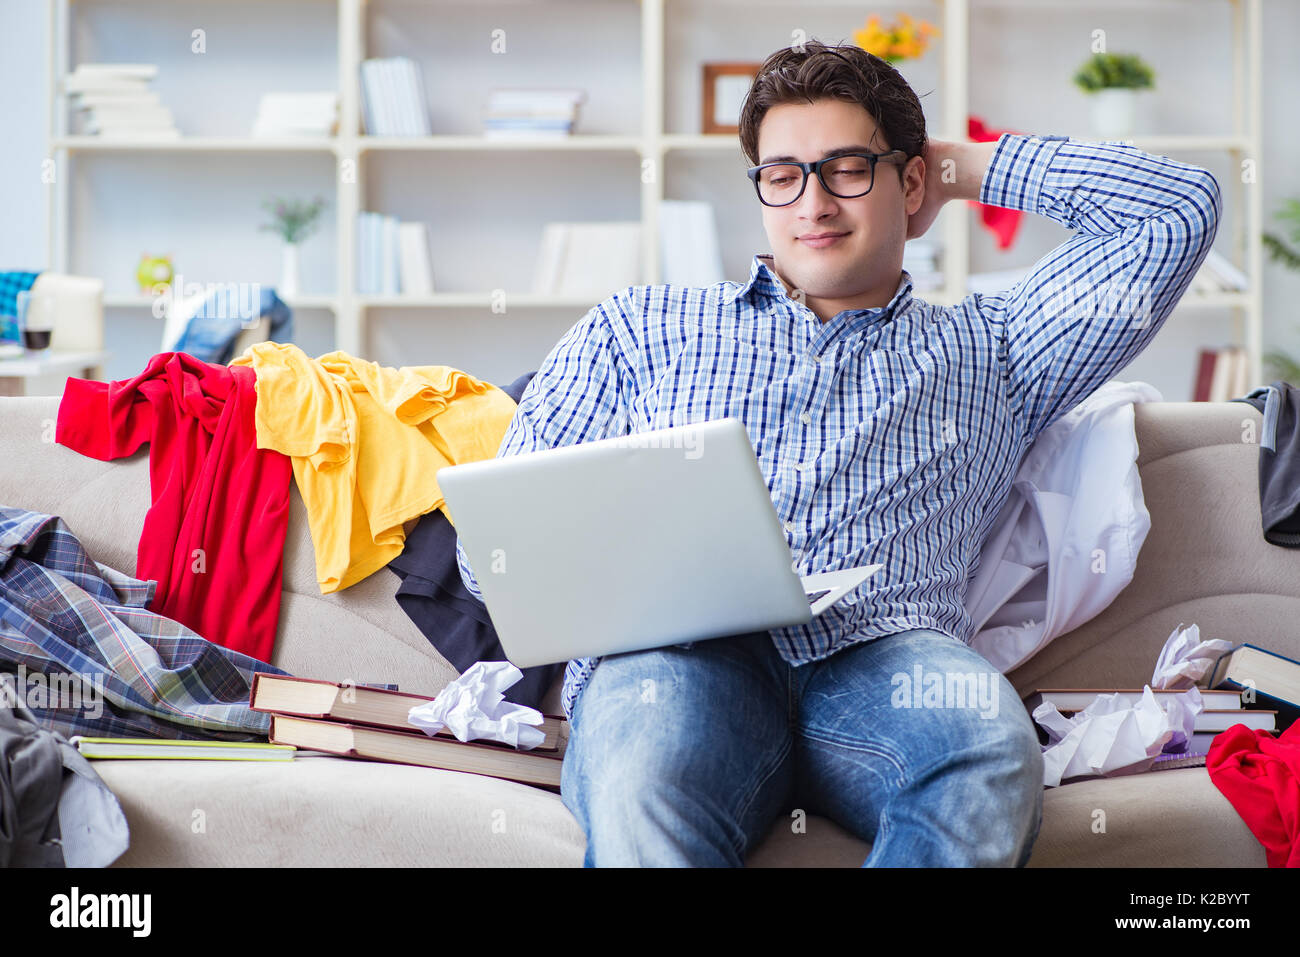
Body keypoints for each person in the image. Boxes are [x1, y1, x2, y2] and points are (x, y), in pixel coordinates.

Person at [456, 40, 1222, 866]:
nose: (812, 202)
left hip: (887, 661)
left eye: (848, 168)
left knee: (988, 747)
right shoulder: (638, 327)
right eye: (782, 175)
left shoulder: (997, 349)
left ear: (912, 182)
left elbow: (1176, 209)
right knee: (642, 771)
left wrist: (963, 167)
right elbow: (492, 555)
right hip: (677, 659)